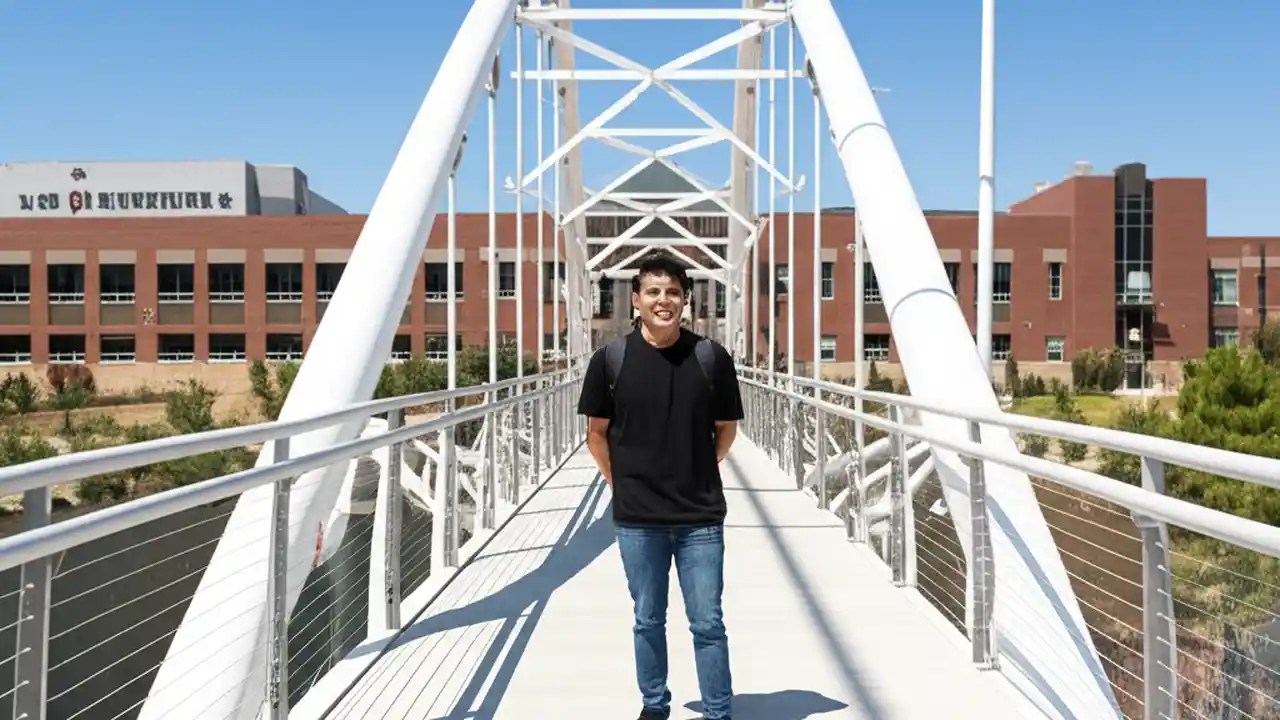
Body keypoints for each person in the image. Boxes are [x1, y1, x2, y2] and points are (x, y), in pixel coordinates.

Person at [576, 252, 744, 720]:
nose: (663, 300)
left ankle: (718, 711)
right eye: (653, 292)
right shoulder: (610, 360)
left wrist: (696, 467)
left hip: (700, 518)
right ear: (636, 300)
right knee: (648, 620)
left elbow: (726, 428)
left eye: (673, 292)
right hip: (638, 520)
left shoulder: (711, 358)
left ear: (685, 300)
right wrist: (623, 484)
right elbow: (596, 435)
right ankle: (654, 705)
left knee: (708, 623)